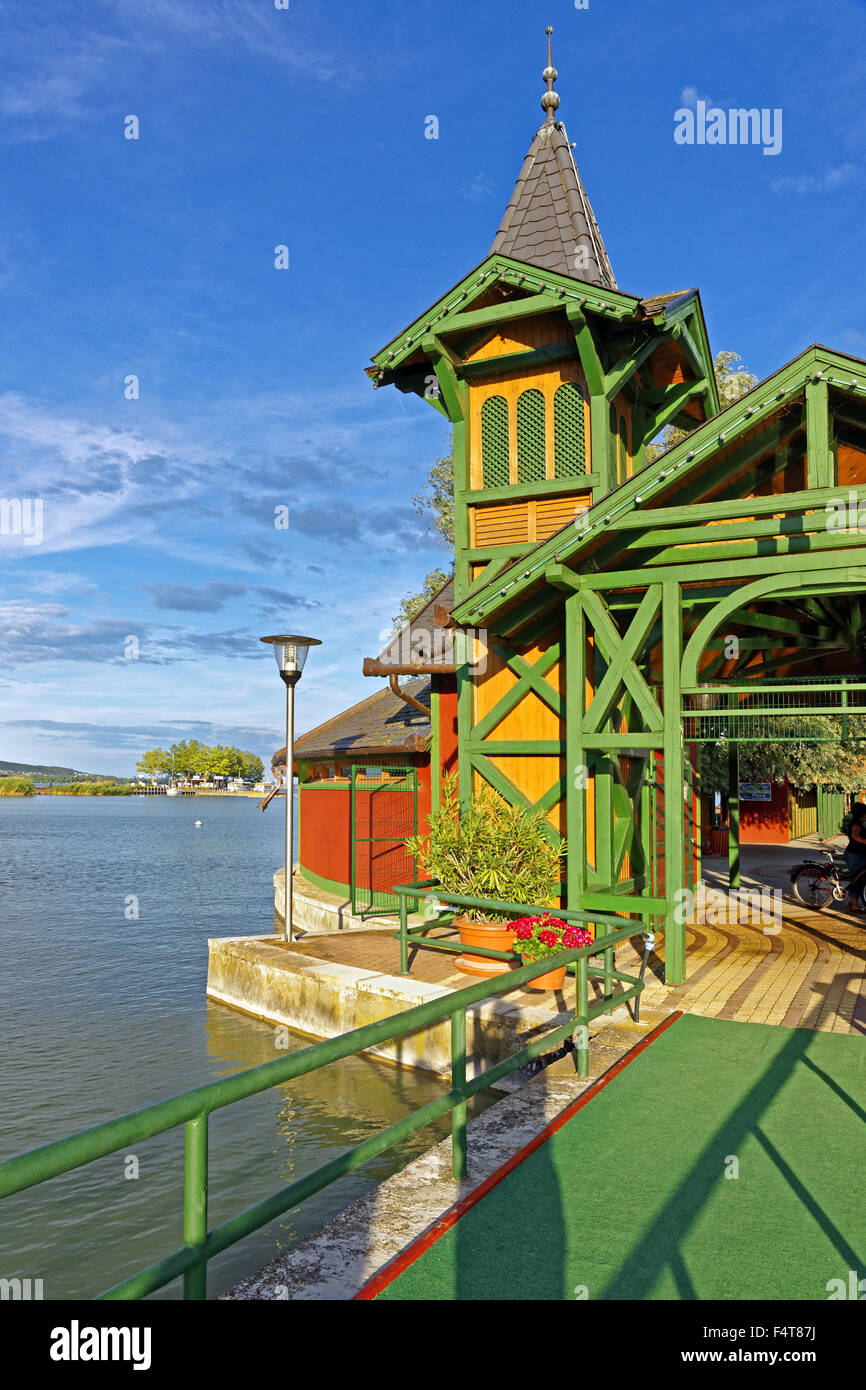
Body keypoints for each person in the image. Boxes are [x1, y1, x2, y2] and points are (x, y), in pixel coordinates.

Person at [843, 802, 866, 912]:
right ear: (862, 814)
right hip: (854, 855)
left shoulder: (860, 823)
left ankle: (854, 901)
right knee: (856, 879)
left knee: (860, 879)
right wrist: (865, 841)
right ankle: (854, 905)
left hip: (858, 855)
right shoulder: (856, 824)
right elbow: (854, 836)